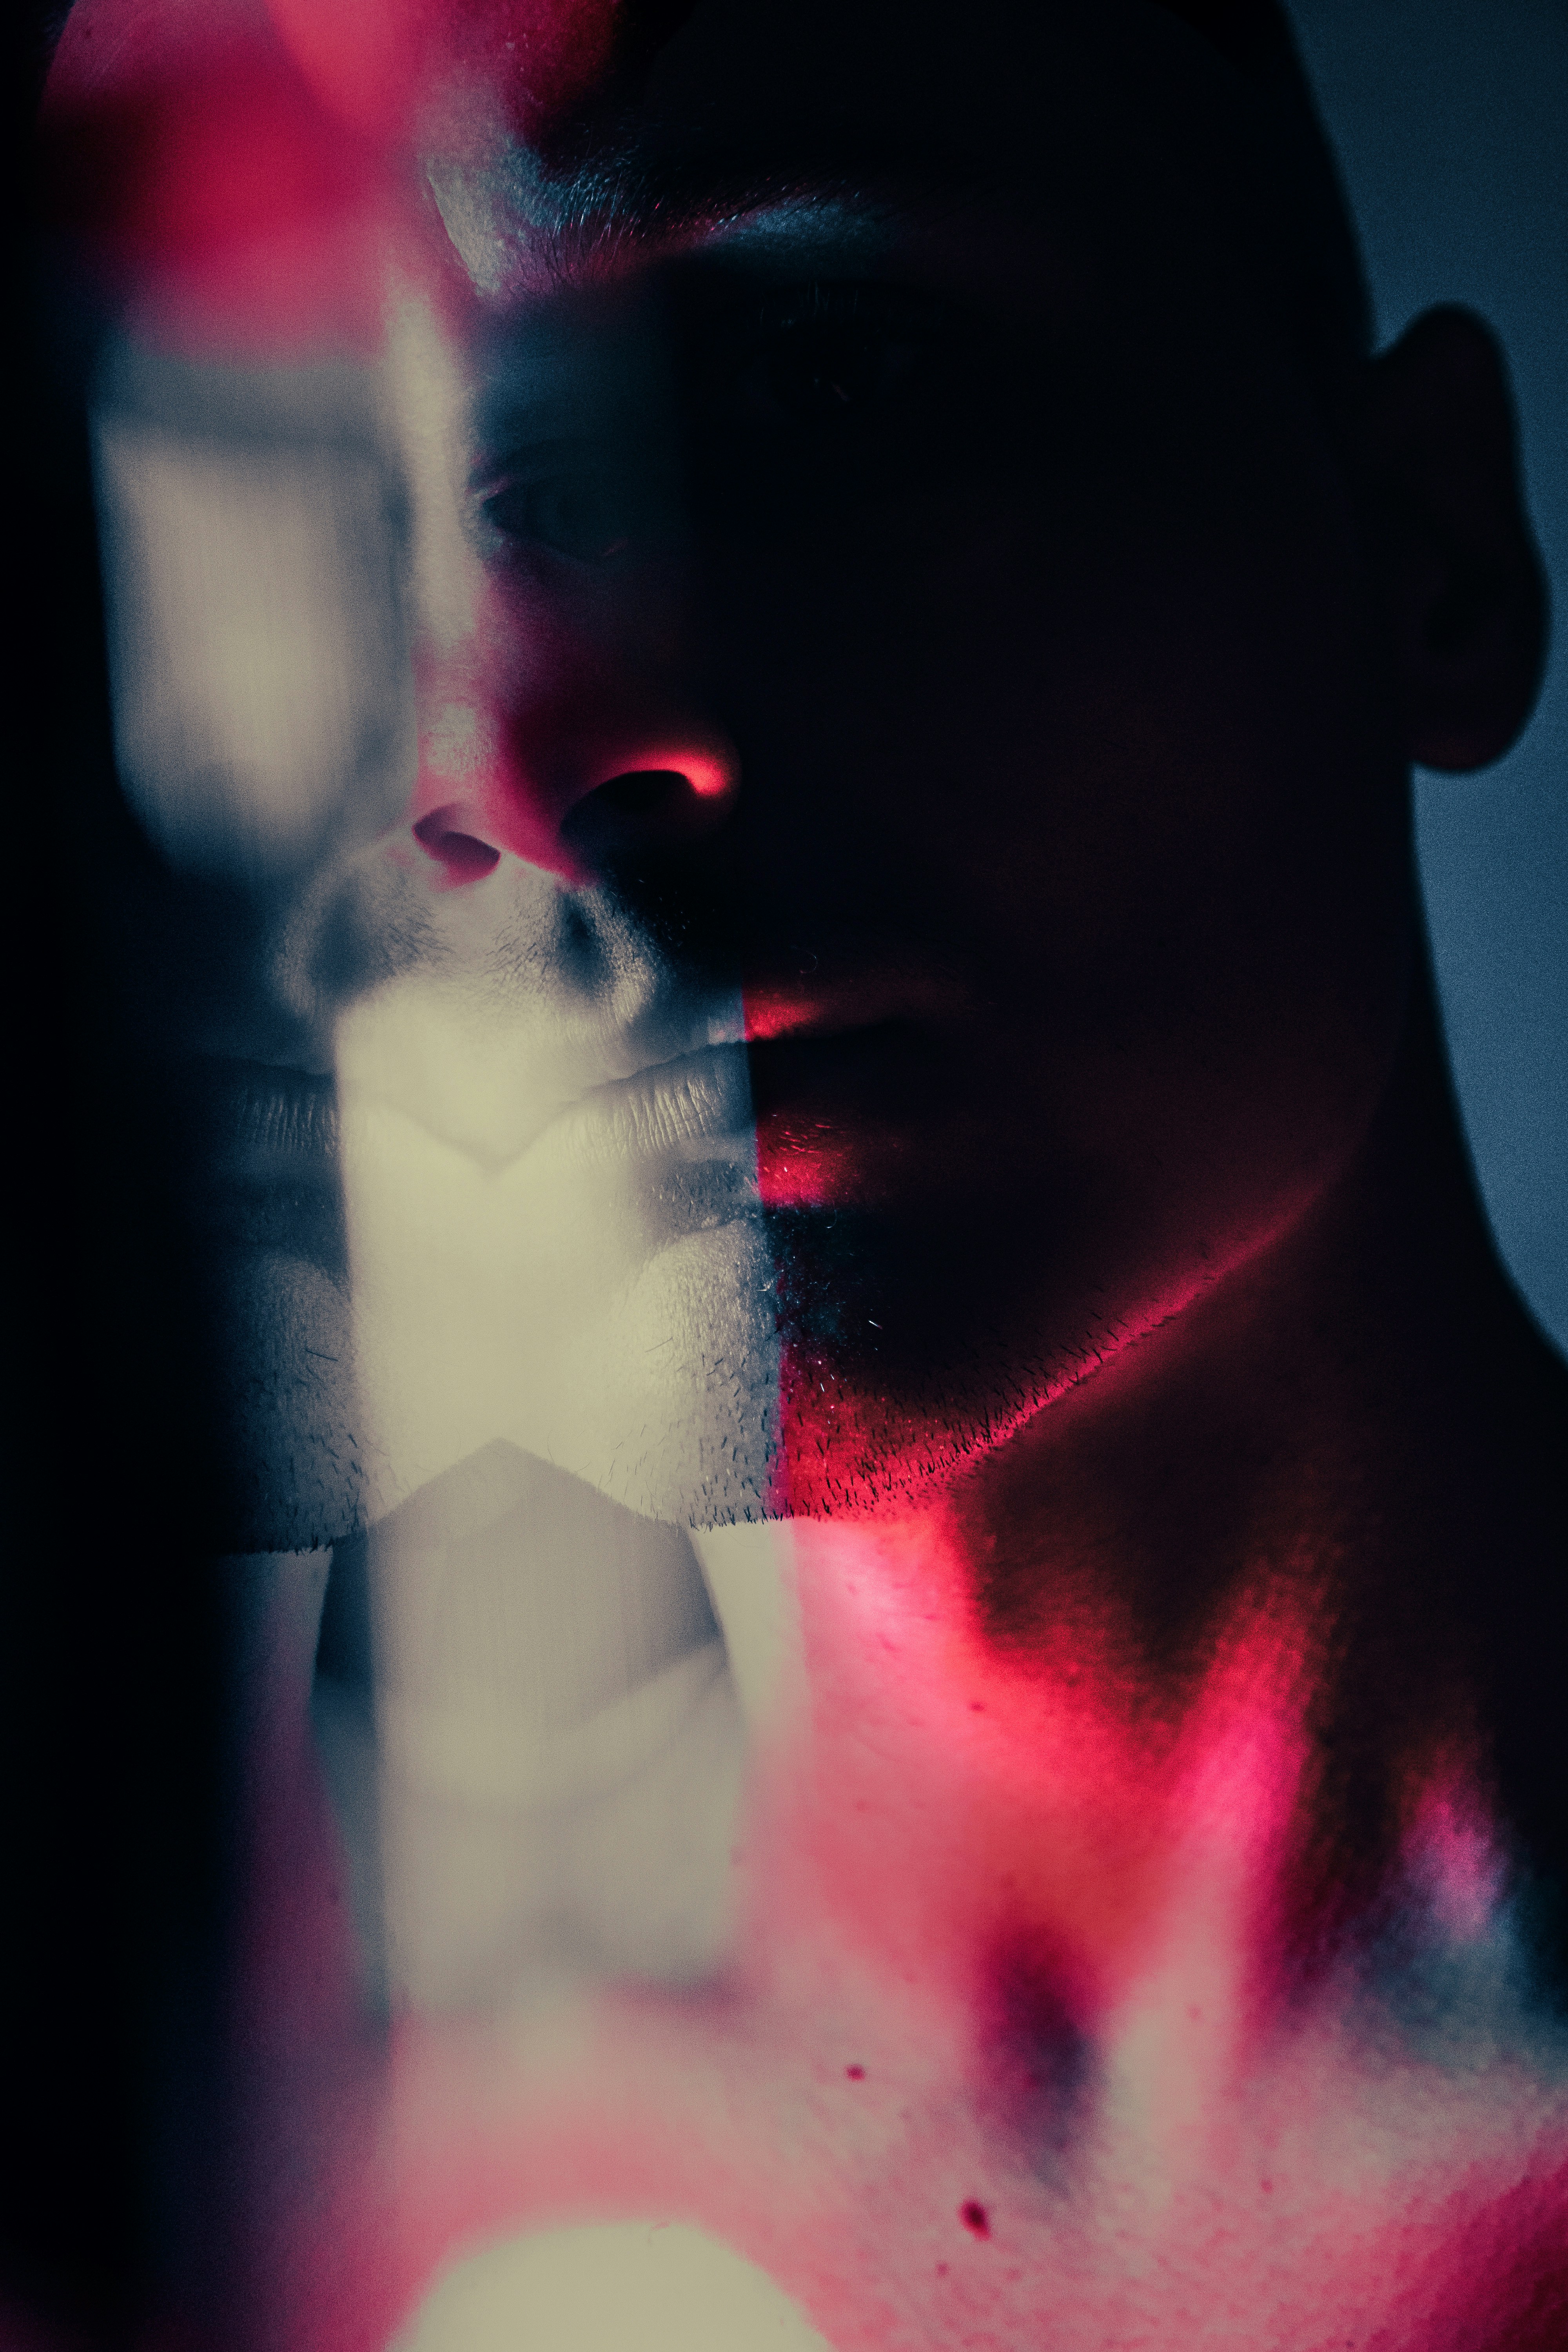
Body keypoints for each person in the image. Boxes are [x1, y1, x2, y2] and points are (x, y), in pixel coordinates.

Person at [16, 0, 1566, 2344]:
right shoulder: (146, 2069)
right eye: (323, 509)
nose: (523, 765)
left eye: (822, 376)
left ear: (1431, 550)